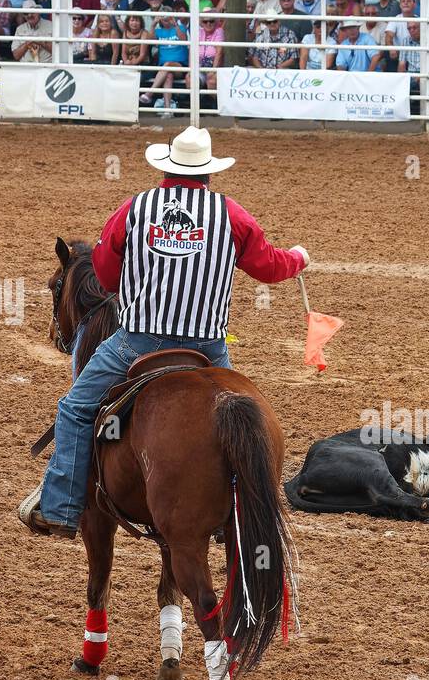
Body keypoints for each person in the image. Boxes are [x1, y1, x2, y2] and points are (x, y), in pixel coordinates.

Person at [19, 128, 311, 538]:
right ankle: (234, 515)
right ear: (208, 173)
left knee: (76, 408)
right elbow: (269, 267)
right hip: (208, 348)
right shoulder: (231, 215)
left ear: (166, 169)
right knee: (244, 419)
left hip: (137, 343)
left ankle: (62, 507)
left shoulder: (134, 208)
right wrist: (298, 257)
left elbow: (105, 275)